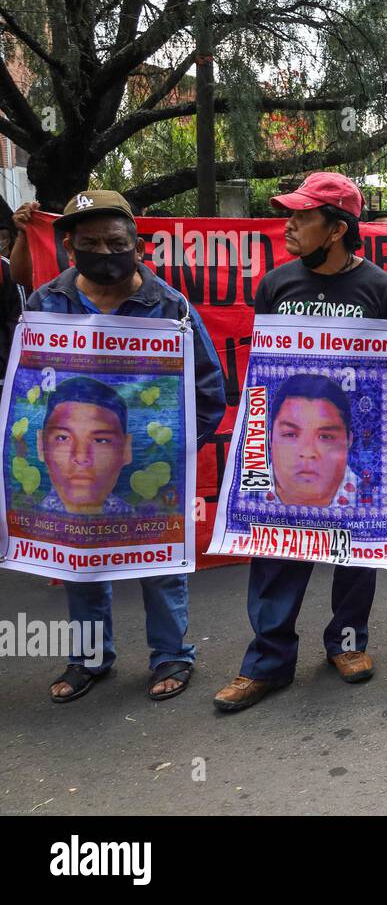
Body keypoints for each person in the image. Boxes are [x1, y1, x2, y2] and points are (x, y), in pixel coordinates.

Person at [214, 171, 387, 711]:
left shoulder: (382, 291)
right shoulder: (276, 286)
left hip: (351, 444)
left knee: (354, 548)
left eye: (302, 216)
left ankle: (347, 644)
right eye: (291, 214)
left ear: (336, 229)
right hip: (278, 441)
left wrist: (382, 443)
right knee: (275, 548)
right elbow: (262, 369)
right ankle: (267, 663)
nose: (289, 224)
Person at [25, 190, 226, 704]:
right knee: (80, 560)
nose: (104, 251)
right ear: (70, 247)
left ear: (137, 246)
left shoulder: (170, 305)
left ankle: (172, 656)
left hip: (154, 466)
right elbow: (27, 389)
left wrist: (180, 449)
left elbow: (209, 387)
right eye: (90, 243)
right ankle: (90, 658)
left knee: (160, 567)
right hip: (73, 465)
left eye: (116, 242)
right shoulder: (46, 302)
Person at [37, 377, 134, 515]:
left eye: (101, 440)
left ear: (126, 450)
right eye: (63, 438)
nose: (81, 457)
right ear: (41, 445)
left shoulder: (134, 516)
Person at [267, 374, 358, 507]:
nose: (308, 452)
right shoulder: (246, 494)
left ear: (348, 441)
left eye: (325, 437)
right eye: (291, 435)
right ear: (270, 439)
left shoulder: (372, 498)